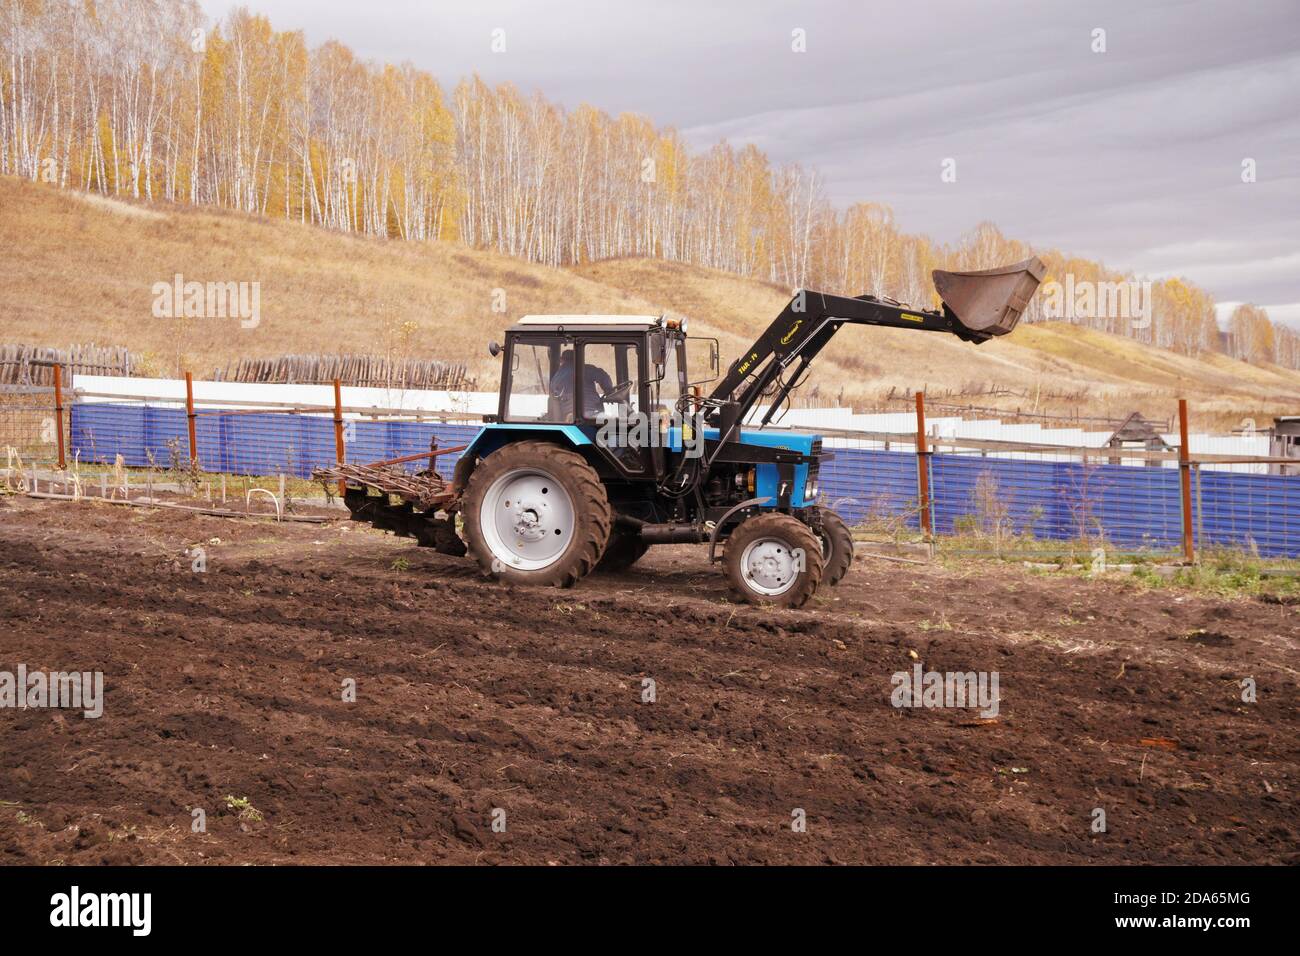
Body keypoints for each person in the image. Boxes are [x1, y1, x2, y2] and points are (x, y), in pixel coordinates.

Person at [550, 349, 615, 420]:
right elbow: (603, 376)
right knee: (615, 426)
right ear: (578, 358)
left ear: (562, 360)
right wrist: (609, 391)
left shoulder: (555, 378)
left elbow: (555, 401)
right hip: (591, 413)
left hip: (569, 415)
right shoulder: (585, 369)